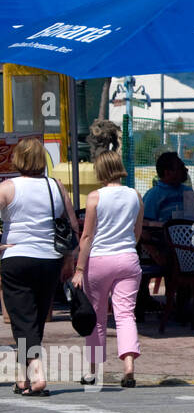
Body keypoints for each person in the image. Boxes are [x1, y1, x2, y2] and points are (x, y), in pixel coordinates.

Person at [0, 137, 79, 395]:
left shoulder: (8, 187)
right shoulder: (55, 186)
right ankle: (23, 378)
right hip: (49, 259)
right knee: (34, 319)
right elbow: (71, 225)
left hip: (16, 258)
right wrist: (70, 259)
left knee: (22, 319)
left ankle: (37, 374)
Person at [71, 151, 145, 388]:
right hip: (128, 258)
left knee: (97, 317)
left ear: (100, 170)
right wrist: (126, 248)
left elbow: (87, 237)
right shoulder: (135, 195)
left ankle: (93, 371)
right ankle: (129, 366)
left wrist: (79, 268)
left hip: (100, 260)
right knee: (125, 314)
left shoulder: (95, 198)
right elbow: (137, 231)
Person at [142, 151, 194, 225]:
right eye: (180, 168)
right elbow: (144, 224)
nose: (186, 170)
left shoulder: (188, 192)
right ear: (167, 172)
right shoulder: (153, 195)